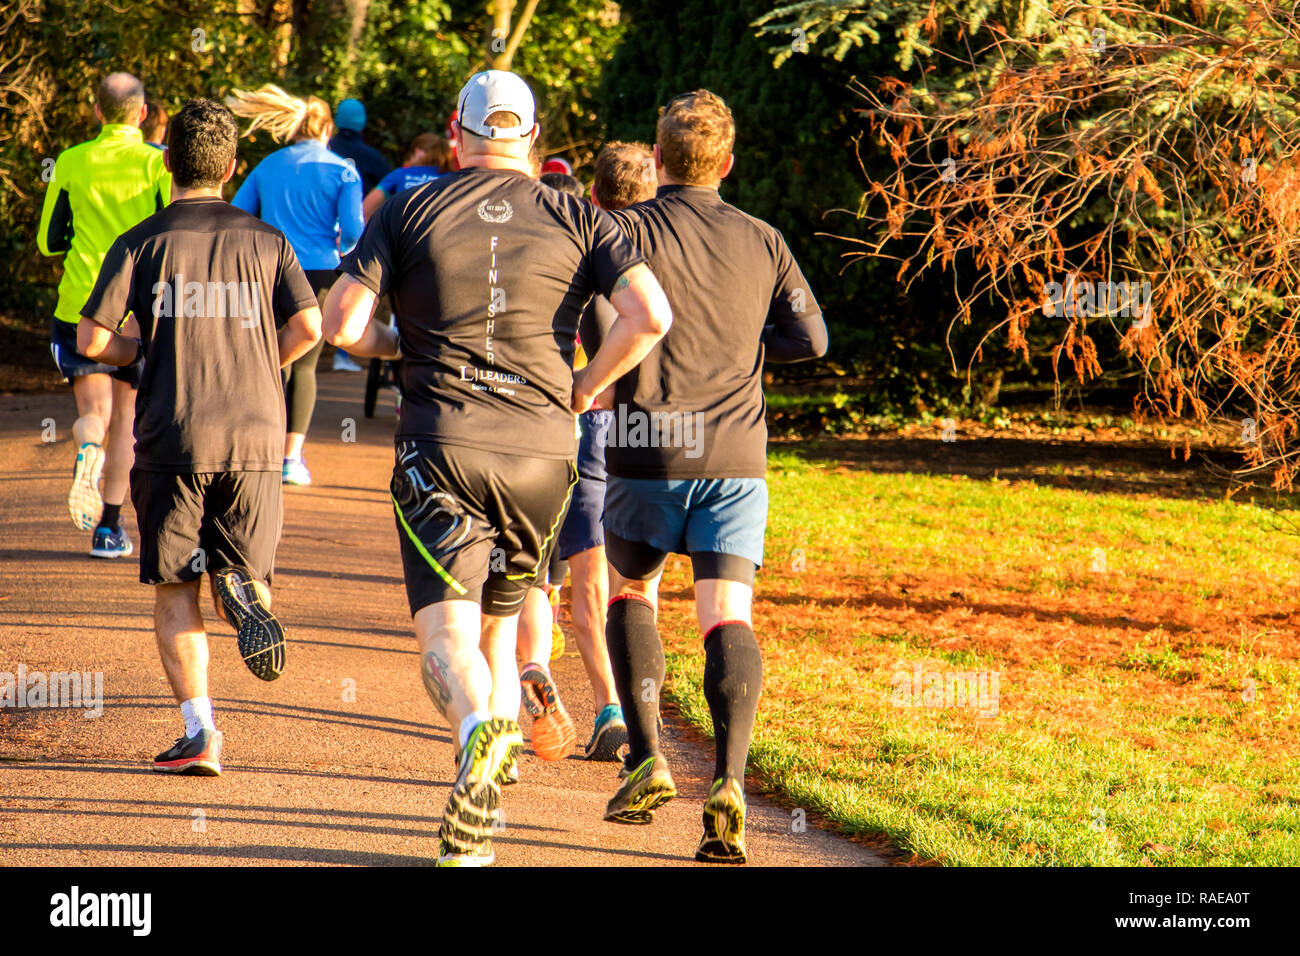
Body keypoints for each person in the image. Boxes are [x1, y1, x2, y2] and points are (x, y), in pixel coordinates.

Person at [322, 69, 672, 866]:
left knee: (446, 633)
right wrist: (584, 385)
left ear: (459, 130)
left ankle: (479, 729)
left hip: (442, 443)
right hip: (546, 454)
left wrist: (399, 345)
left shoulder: (410, 203)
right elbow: (652, 316)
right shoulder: (581, 215)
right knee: (505, 626)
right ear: (531, 135)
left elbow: (343, 323)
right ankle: (480, 815)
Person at [599, 91, 828, 863]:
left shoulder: (622, 228)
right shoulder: (763, 239)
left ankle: (647, 757)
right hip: (736, 457)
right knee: (726, 617)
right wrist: (748, 348)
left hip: (645, 446)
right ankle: (727, 782)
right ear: (727, 164)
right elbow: (813, 337)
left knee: (632, 595)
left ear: (656, 161)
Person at [77, 98, 322, 775]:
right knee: (240, 569)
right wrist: (257, 366)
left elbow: (91, 338)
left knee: (176, 587)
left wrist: (141, 353)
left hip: (173, 432)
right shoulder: (267, 241)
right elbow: (309, 329)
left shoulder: (143, 240)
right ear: (233, 166)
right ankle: (242, 589)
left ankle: (201, 733)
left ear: (167, 161)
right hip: (255, 433)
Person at [37, 72, 172, 559]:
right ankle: (108, 530)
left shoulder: (71, 161)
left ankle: (85, 448)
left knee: (94, 415)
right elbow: (169, 232)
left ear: (97, 112)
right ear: (141, 114)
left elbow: (48, 241)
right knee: (127, 422)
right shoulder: (158, 162)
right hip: (135, 311)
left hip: (79, 305)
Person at [226, 85, 364, 485]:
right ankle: (289, 459)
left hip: (267, 269)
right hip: (319, 272)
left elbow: (238, 214)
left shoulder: (269, 165)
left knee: (267, 356)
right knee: (303, 364)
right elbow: (354, 231)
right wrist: (339, 245)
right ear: (327, 131)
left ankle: (259, 447)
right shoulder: (343, 170)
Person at [362, 133, 451, 220]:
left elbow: (366, 210)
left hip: (403, 231)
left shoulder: (401, 174)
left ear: (418, 152)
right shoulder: (454, 179)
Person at [328, 98, 391, 193]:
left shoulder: (326, 150)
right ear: (363, 122)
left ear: (336, 120)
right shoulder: (372, 157)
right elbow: (390, 186)